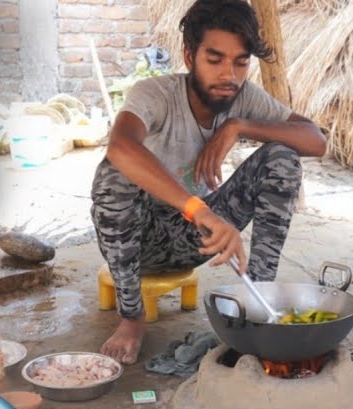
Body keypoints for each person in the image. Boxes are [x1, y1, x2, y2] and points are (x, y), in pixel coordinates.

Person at [91, 0, 327, 364]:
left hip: (195, 241)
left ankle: (257, 300)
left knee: (282, 157)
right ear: (189, 56)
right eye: (214, 60)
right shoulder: (155, 94)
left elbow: (316, 141)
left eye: (240, 62)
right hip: (136, 243)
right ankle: (132, 318)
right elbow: (120, 146)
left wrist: (239, 126)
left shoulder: (243, 97)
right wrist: (197, 208)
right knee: (113, 174)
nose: (228, 75)